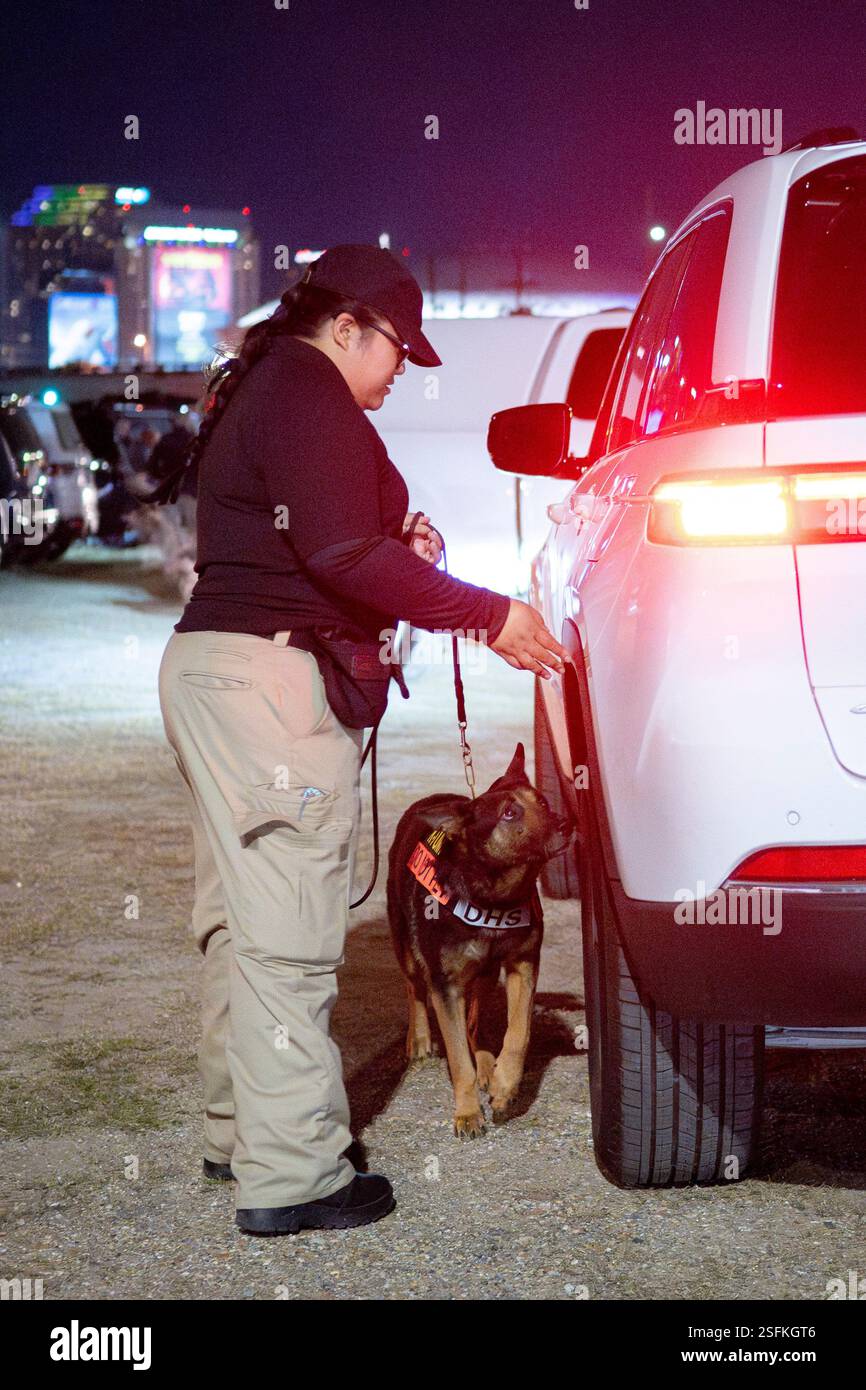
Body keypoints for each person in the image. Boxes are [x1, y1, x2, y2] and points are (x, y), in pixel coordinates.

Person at [152, 244, 567, 1237]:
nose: (397, 375)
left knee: (238, 925)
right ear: (347, 327)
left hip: (218, 666)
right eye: (395, 352)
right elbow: (337, 552)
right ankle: (293, 1175)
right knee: (288, 940)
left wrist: (404, 559)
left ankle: (235, 1130)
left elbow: (329, 548)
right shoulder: (306, 392)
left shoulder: (268, 385)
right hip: (267, 684)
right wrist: (486, 614)